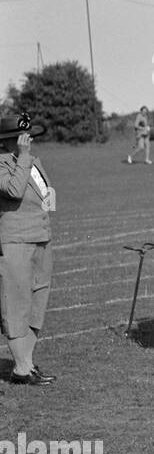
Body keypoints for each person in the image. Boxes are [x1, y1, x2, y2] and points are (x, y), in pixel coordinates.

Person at [0, 114, 57, 385]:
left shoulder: (33, 161)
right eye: (24, 136)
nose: (30, 140)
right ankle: (22, 368)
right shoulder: (3, 163)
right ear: (11, 140)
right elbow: (13, 190)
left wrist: (47, 213)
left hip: (41, 237)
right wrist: (22, 157)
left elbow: (48, 195)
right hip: (16, 242)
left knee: (37, 302)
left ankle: (28, 364)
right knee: (16, 304)